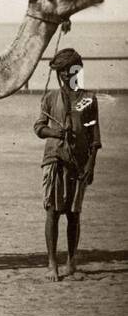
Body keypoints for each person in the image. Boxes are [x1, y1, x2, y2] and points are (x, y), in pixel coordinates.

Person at [33, 48, 101, 281]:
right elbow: (38, 128)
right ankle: (52, 264)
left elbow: (94, 137)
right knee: (52, 212)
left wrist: (91, 165)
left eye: (70, 70)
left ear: (77, 71)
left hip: (79, 164)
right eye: (61, 71)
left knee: (74, 214)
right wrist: (56, 132)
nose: (65, 75)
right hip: (54, 161)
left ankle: (71, 263)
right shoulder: (50, 98)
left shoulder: (88, 99)